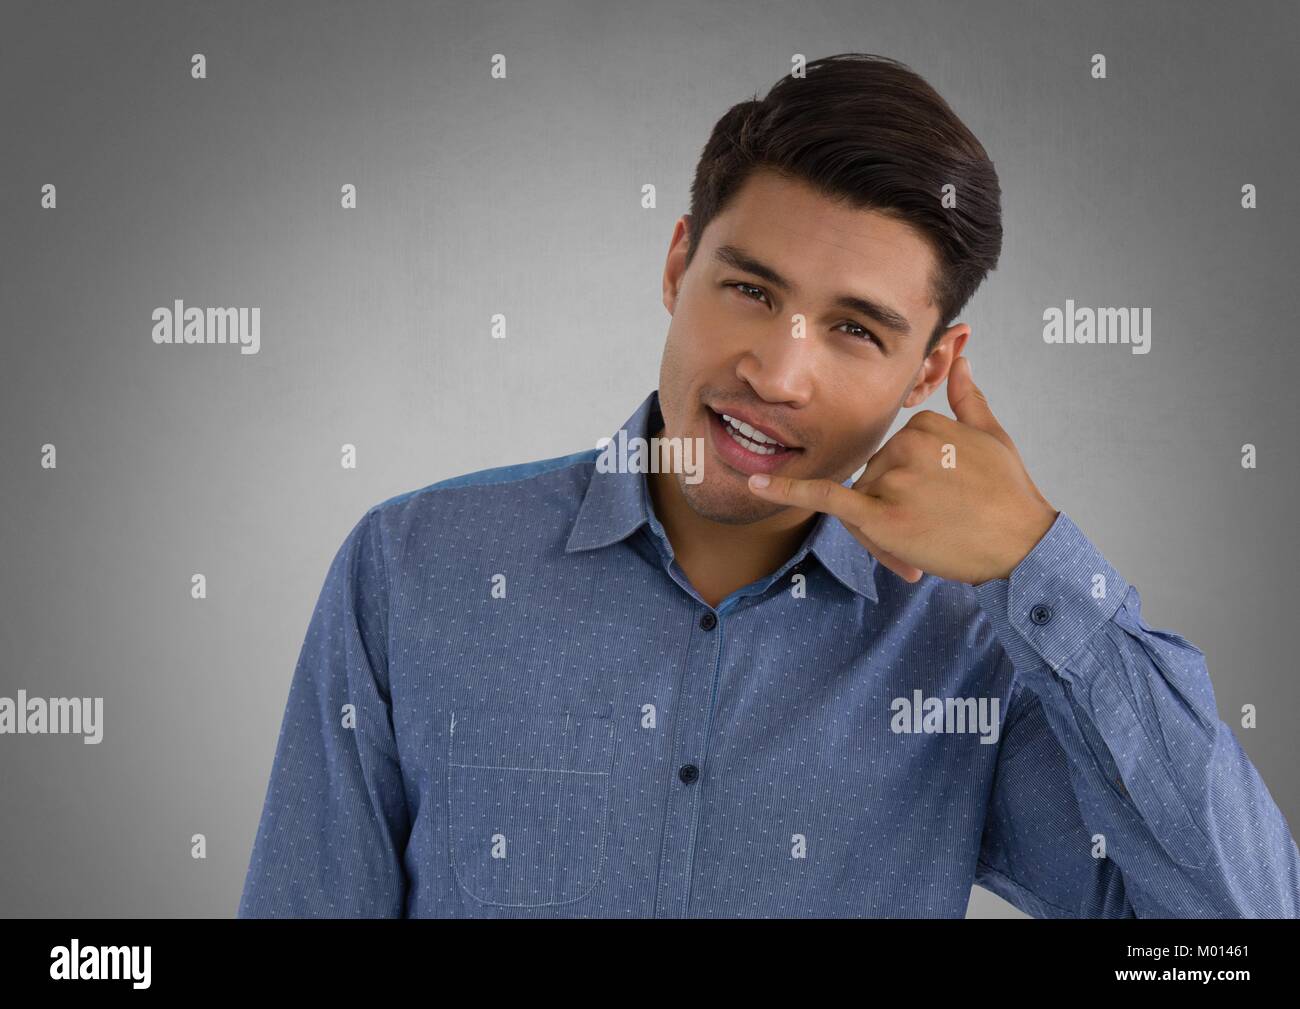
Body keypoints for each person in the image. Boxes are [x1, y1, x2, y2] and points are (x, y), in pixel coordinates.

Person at [238, 53, 1300, 918]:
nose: (776, 373)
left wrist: (1039, 559)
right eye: (749, 290)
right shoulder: (413, 568)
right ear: (675, 266)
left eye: (854, 329)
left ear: (929, 368)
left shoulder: (976, 650)